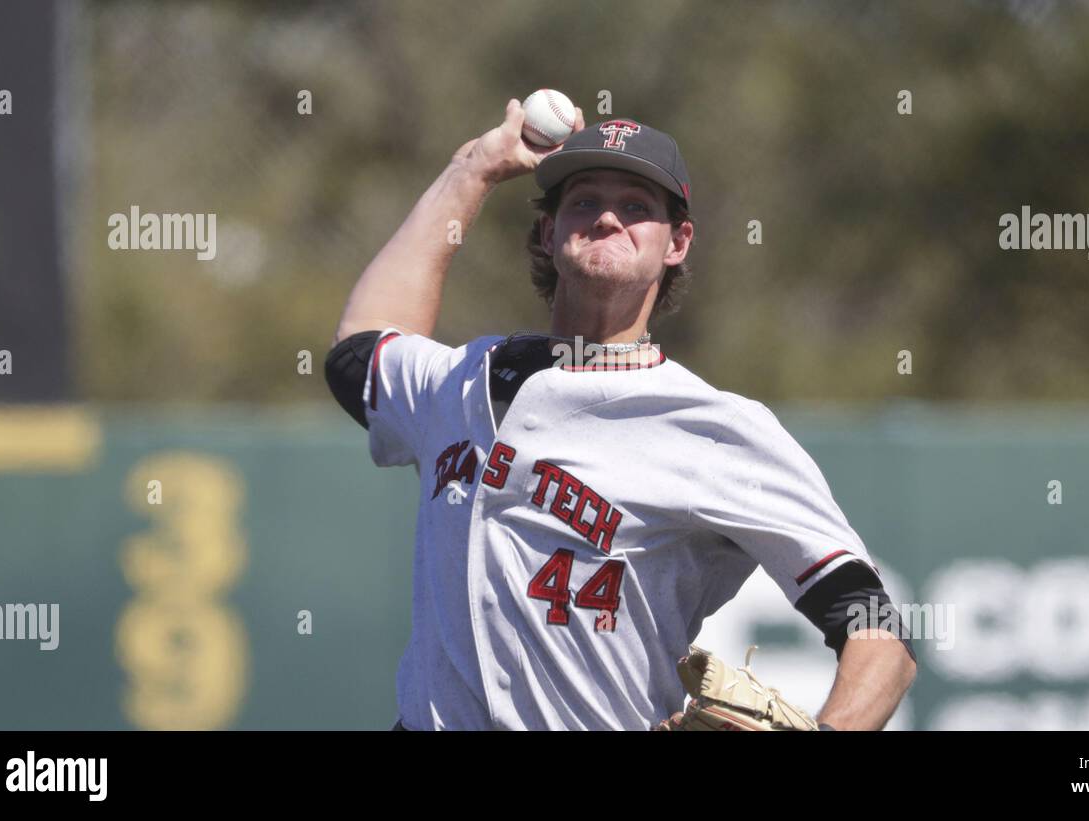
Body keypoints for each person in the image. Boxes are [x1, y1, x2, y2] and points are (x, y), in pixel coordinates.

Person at [324, 99, 916, 730]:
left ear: (677, 243)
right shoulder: (463, 379)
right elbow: (359, 350)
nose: (608, 217)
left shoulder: (713, 427)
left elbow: (879, 633)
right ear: (548, 233)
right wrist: (470, 171)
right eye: (584, 201)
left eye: (637, 207)